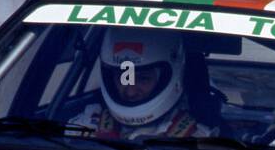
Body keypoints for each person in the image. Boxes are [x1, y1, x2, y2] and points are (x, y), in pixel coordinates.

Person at [76, 29, 214, 139]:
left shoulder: (195, 139)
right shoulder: (89, 121)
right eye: (124, 77)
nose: (130, 91)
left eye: (143, 79)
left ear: (168, 79)